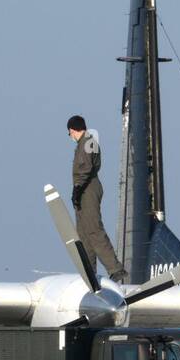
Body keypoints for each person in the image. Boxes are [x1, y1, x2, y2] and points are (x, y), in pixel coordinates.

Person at [67, 114, 127, 284]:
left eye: (69, 133)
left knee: (93, 229)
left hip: (88, 188)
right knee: (84, 234)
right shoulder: (86, 142)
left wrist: (78, 188)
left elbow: (85, 167)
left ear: (72, 130)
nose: (70, 136)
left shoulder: (87, 142)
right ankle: (89, 274)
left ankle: (115, 269)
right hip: (84, 188)